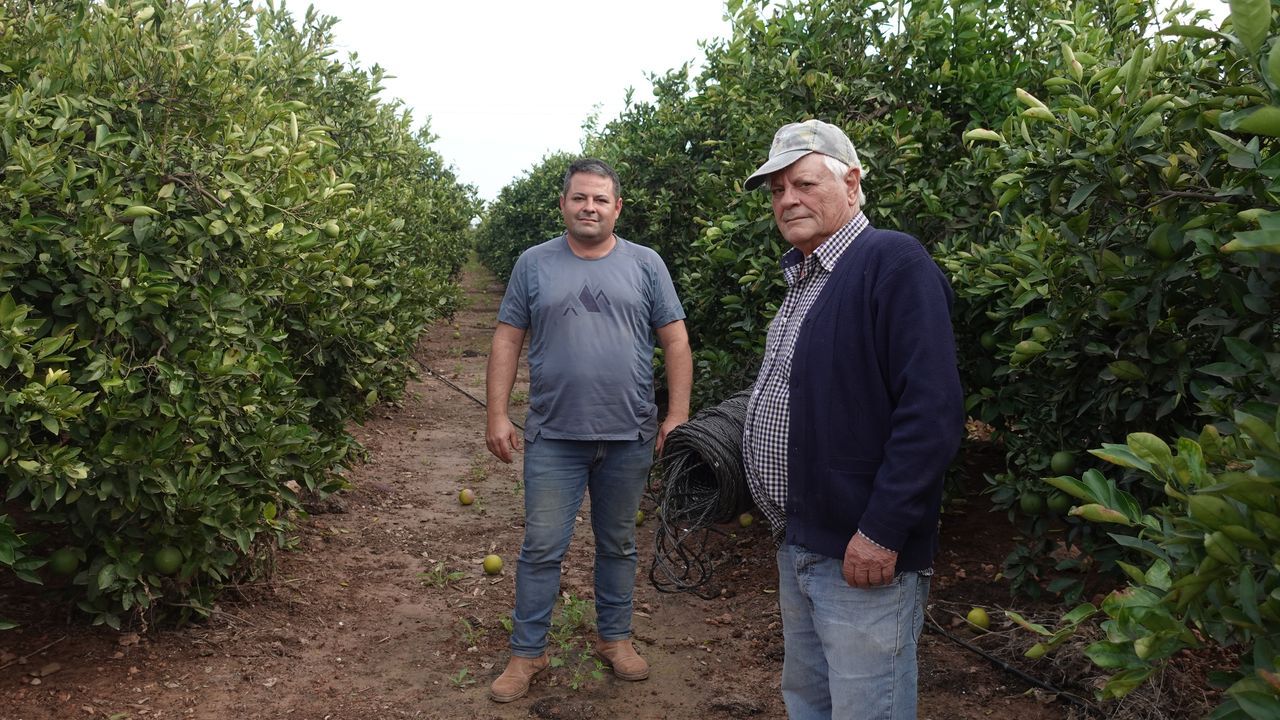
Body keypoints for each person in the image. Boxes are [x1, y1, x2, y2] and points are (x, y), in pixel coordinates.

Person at [740, 119, 963, 719]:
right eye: (777, 190)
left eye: (805, 184)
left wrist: (883, 529)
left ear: (853, 183)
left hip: (861, 554)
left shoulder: (891, 262)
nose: (788, 200)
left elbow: (932, 411)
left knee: (867, 708)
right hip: (802, 540)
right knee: (809, 702)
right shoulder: (806, 278)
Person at [484, 157, 692, 703]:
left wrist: (677, 414)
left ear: (617, 207)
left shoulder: (646, 264)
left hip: (628, 435)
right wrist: (497, 414)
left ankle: (614, 639)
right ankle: (527, 653)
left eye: (601, 199)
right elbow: (508, 338)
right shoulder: (534, 264)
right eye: (580, 198)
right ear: (563, 204)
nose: (590, 207)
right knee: (542, 546)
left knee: (618, 544)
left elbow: (675, 340)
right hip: (554, 435)